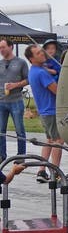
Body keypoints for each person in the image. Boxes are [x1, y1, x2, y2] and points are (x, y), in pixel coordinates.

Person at [24, 44, 63, 183]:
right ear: (31, 59)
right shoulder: (41, 73)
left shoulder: (34, 71)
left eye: (42, 52)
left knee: (50, 140)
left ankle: (42, 170)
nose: (43, 54)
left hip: (44, 111)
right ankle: (56, 172)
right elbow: (58, 91)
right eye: (38, 53)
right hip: (51, 110)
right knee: (58, 141)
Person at [0, 39, 29, 167]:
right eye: (0, 48)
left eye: (3, 47)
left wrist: (15, 85)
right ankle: (2, 155)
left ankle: (21, 156)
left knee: (19, 130)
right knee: (1, 130)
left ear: (11, 47)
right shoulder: (0, 63)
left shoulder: (21, 62)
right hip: (1, 102)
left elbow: (28, 79)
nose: (1, 50)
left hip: (16, 101)